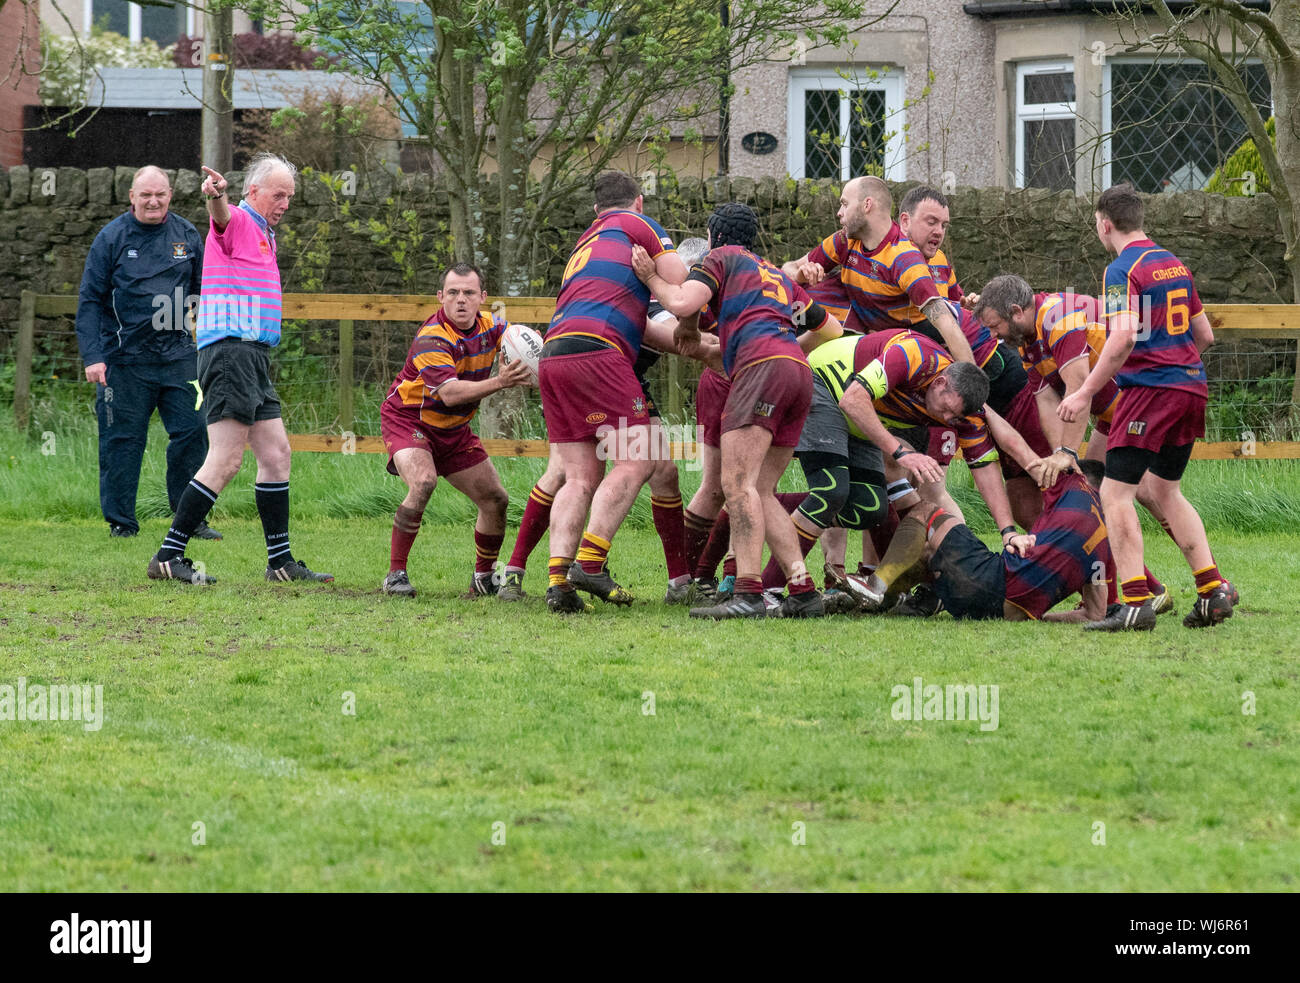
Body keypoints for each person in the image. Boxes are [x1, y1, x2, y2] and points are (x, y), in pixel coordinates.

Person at [633, 202, 837, 619]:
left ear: (713, 237)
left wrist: (650, 275)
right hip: (798, 374)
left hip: (761, 372)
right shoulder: (777, 275)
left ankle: (747, 592)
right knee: (761, 490)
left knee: (736, 484)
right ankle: (801, 587)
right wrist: (780, 352)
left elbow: (681, 300)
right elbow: (830, 329)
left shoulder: (719, 258)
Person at [146, 153, 331, 585]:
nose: (285, 203)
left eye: (290, 196)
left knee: (276, 454)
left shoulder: (265, 232)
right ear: (253, 192)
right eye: (278, 194)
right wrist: (217, 197)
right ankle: (168, 556)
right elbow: (222, 219)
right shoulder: (242, 221)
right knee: (226, 460)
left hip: (252, 357)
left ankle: (280, 563)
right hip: (231, 353)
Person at [1058, 183, 1235, 630]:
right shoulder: (1175, 263)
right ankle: (1212, 591)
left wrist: (1083, 393)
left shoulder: (1121, 269)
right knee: (1165, 491)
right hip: (1191, 387)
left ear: (1105, 224)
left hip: (1149, 391)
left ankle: (1135, 602)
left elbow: (1121, 338)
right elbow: (1205, 337)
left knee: (1115, 492)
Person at [538, 171, 695, 613]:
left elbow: (625, 313)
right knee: (640, 457)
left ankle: (558, 583)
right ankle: (590, 562)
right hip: (599, 350)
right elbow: (681, 284)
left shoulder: (584, 242)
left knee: (580, 475)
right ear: (639, 202)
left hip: (554, 353)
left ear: (594, 210)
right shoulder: (637, 225)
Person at [75, 165, 220, 541]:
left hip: (178, 358)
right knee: (122, 441)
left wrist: (206, 343)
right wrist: (93, 356)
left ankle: (189, 519)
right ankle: (122, 522)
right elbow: (90, 300)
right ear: (132, 198)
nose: (153, 201)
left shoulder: (187, 234)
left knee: (193, 433)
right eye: (145, 195)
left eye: (160, 194)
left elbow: (203, 292)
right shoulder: (111, 238)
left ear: (170, 194)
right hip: (124, 361)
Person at [379, 263, 534, 598]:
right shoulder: (432, 337)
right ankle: (395, 575)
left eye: (468, 293)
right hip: (410, 421)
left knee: (495, 499)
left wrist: (538, 356)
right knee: (423, 481)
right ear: (440, 297)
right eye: (452, 293)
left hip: (454, 430)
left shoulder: (493, 326)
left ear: (482, 298)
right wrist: (501, 381)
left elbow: (526, 342)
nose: (460, 300)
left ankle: (483, 578)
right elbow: (448, 394)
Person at [885, 462, 1114, 623]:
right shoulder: (1104, 546)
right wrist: (1041, 617)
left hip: (987, 582)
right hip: (994, 612)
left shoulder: (1074, 487)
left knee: (926, 512)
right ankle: (916, 596)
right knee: (926, 551)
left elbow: (1022, 452)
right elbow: (1095, 614)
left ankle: (876, 589)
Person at [781, 176, 975, 364]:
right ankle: (784, 355)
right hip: (866, 337)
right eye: (932, 222)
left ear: (867, 205)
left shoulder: (905, 259)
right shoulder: (844, 240)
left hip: (908, 347)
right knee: (802, 291)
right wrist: (800, 274)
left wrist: (970, 386)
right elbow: (786, 269)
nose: (839, 212)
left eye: (845, 204)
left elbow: (947, 323)